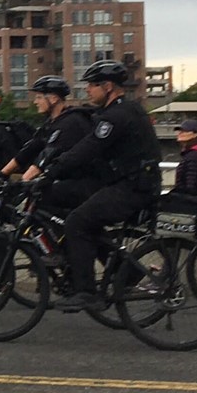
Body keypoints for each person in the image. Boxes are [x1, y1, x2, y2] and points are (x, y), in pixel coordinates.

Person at [39, 60, 162, 313]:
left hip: (133, 188)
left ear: (108, 86)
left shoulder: (116, 116)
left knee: (76, 222)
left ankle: (86, 292)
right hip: (134, 183)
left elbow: (88, 148)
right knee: (89, 219)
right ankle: (125, 275)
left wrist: (52, 171)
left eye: (91, 86)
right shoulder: (126, 110)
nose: (87, 91)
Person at [8, 75, 97, 214]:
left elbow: (47, 156)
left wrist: (23, 181)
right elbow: (31, 148)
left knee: (41, 197)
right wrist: (2, 173)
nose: (35, 102)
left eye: (39, 97)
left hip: (87, 182)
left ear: (54, 99)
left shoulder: (71, 122)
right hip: (68, 180)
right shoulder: (52, 123)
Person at [171, 120, 197, 195]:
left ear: (195, 134)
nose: (180, 133)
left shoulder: (194, 155)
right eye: (180, 131)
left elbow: (192, 184)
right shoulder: (192, 153)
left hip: (190, 202)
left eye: (185, 131)